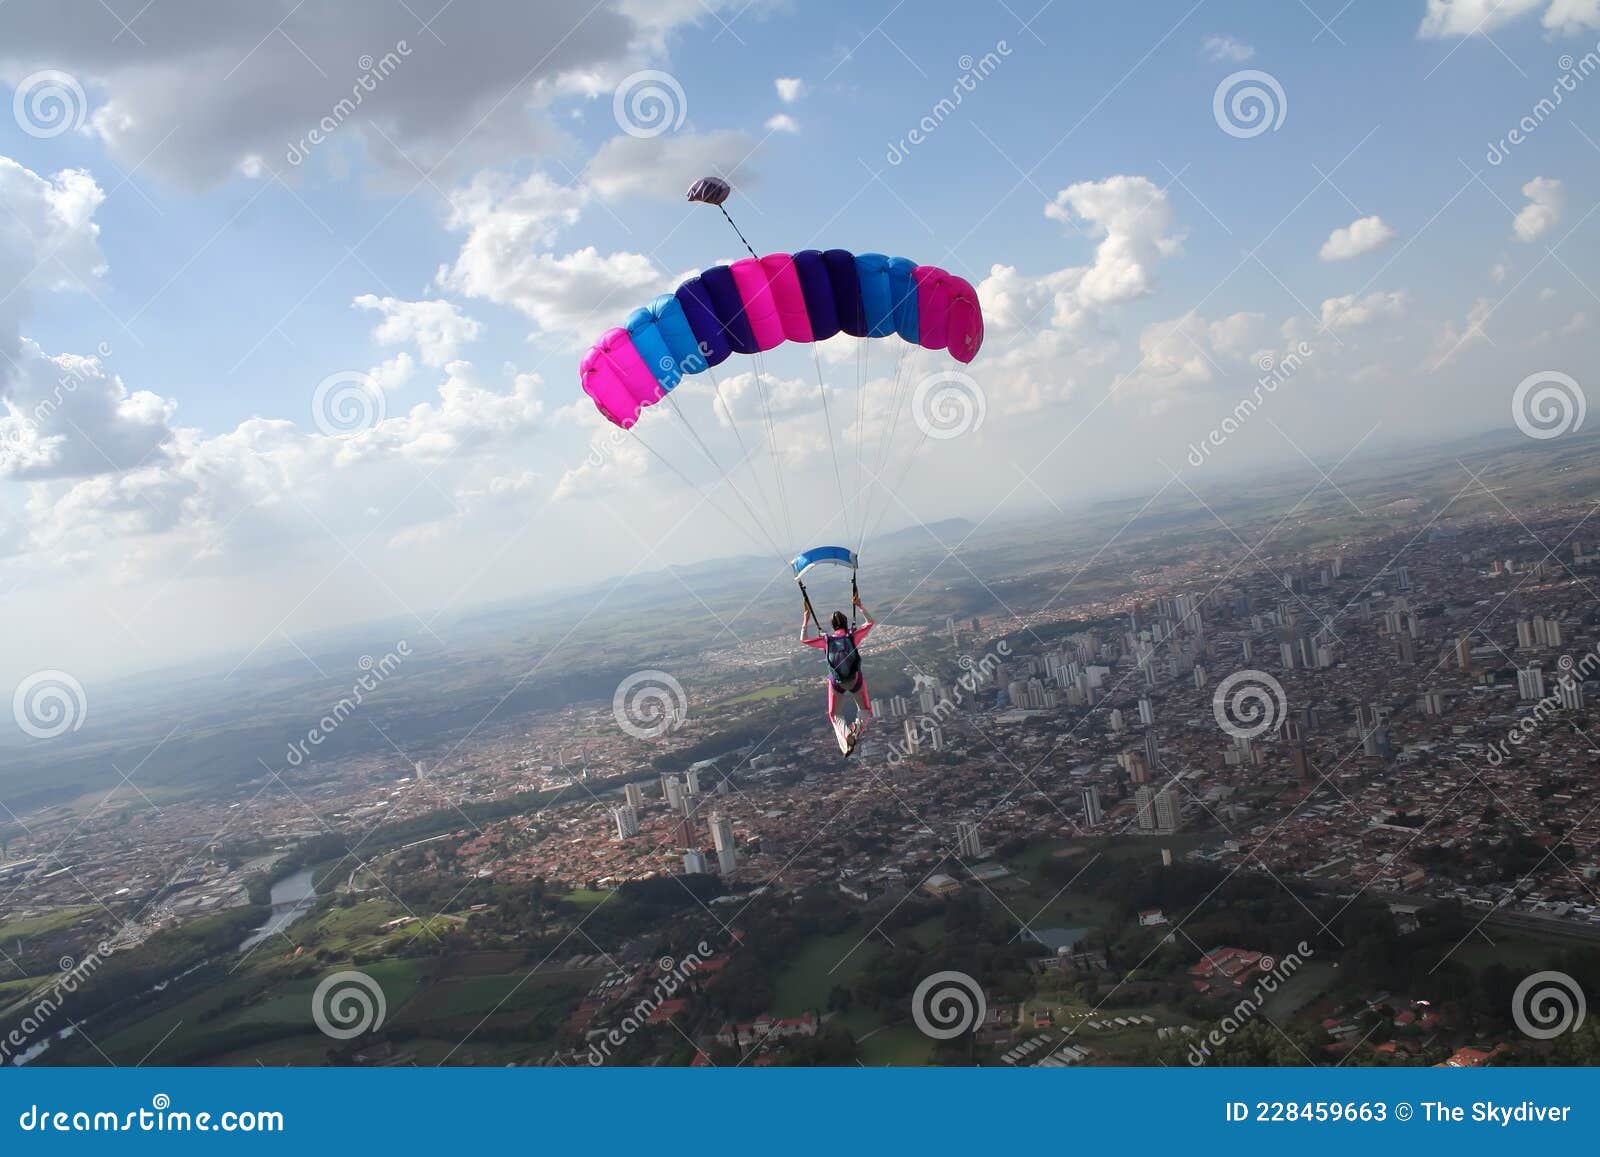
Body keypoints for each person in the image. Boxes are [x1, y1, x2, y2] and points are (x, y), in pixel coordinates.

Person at [801, 585, 875, 756]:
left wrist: (806, 618)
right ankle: (856, 731)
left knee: (835, 714)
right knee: (865, 710)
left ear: (833, 626)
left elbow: (803, 640)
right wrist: (860, 606)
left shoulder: (826, 641)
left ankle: (846, 735)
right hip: (855, 680)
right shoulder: (853, 636)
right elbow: (870, 623)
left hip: (836, 683)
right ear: (846, 623)